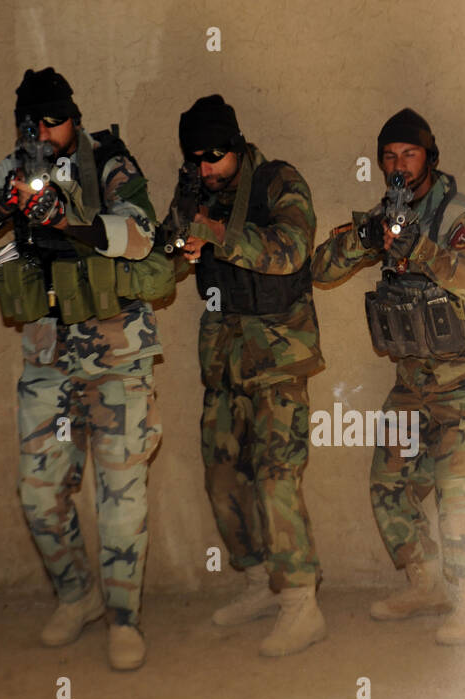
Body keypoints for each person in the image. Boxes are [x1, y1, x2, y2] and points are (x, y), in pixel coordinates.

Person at [0, 68, 171, 670]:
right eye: (34, 123)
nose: (46, 132)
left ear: (74, 116)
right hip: (48, 356)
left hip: (117, 357)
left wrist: (66, 219)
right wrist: (5, 201)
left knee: (121, 494)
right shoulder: (16, 165)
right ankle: (79, 595)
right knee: (38, 492)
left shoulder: (110, 163)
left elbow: (142, 233)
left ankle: (125, 619)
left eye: (55, 120)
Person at [311, 108, 465, 645]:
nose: (399, 165)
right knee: (388, 483)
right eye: (390, 157)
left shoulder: (462, 218)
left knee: (458, 484)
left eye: (410, 154)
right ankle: (426, 584)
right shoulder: (384, 214)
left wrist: (420, 251)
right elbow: (321, 269)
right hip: (415, 379)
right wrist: (369, 237)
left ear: (431, 157)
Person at [171, 94, 326, 657]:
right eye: (195, 159)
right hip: (223, 360)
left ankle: (301, 603)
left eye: (214, 156)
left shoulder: (279, 181)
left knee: (277, 479)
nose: (205, 169)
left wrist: (217, 233)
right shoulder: (195, 187)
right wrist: (175, 244)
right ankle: (259, 581)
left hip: (278, 359)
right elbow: (169, 261)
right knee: (222, 478)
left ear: (236, 146)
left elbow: (290, 251)